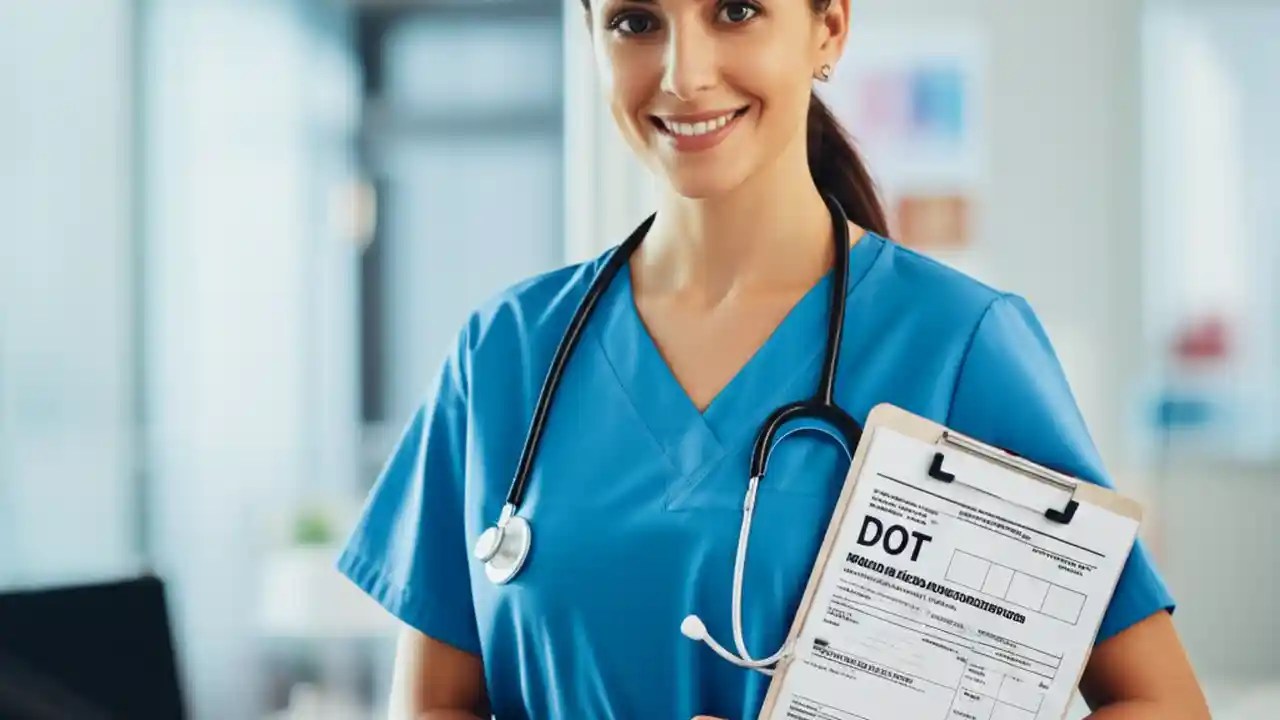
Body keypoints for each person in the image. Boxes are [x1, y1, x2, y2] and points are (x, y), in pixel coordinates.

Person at [336, 1, 1210, 718]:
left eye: (736, 12)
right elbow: (430, 705)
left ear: (828, 27)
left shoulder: (957, 344)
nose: (685, 73)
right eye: (636, 23)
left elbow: (1161, 704)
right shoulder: (505, 353)